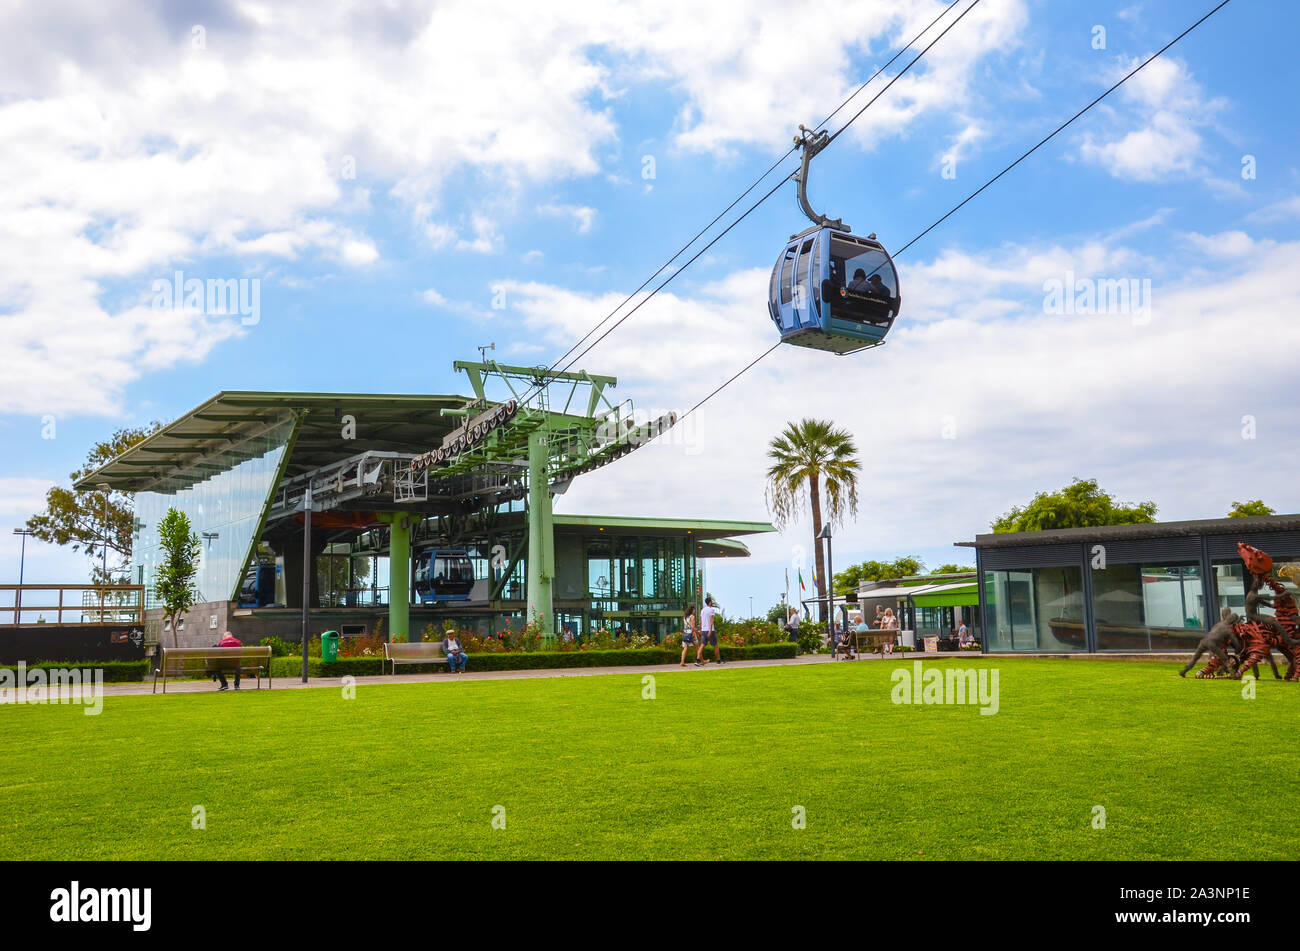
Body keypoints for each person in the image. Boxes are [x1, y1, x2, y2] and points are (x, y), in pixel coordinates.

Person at [697, 596, 723, 666]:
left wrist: (700, 630)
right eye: (711, 601)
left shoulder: (702, 610)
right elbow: (711, 621)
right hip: (710, 630)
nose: (712, 602)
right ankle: (718, 661)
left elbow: (700, 621)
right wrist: (710, 630)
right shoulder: (711, 610)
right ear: (710, 602)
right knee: (715, 645)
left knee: (702, 645)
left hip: (703, 630)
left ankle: (698, 660)